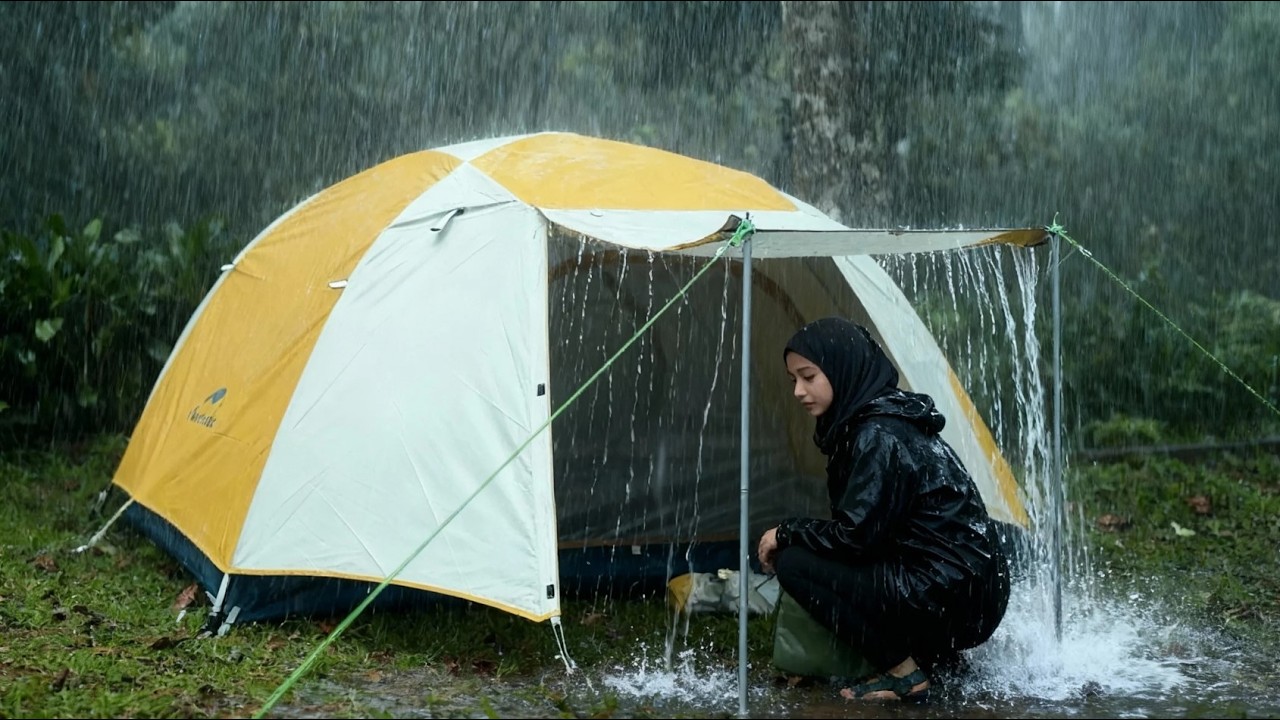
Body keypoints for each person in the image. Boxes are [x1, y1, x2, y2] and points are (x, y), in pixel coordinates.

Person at [756, 316, 1011, 703]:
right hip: (972, 590)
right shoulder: (888, 419)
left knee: (795, 563)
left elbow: (854, 539)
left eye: (809, 376)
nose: (798, 391)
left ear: (843, 370)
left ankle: (903, 675)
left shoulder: (877, 434)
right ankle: (939, 660)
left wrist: (786, 532)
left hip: (953, 597)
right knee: (845, 562)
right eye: (794, 379)